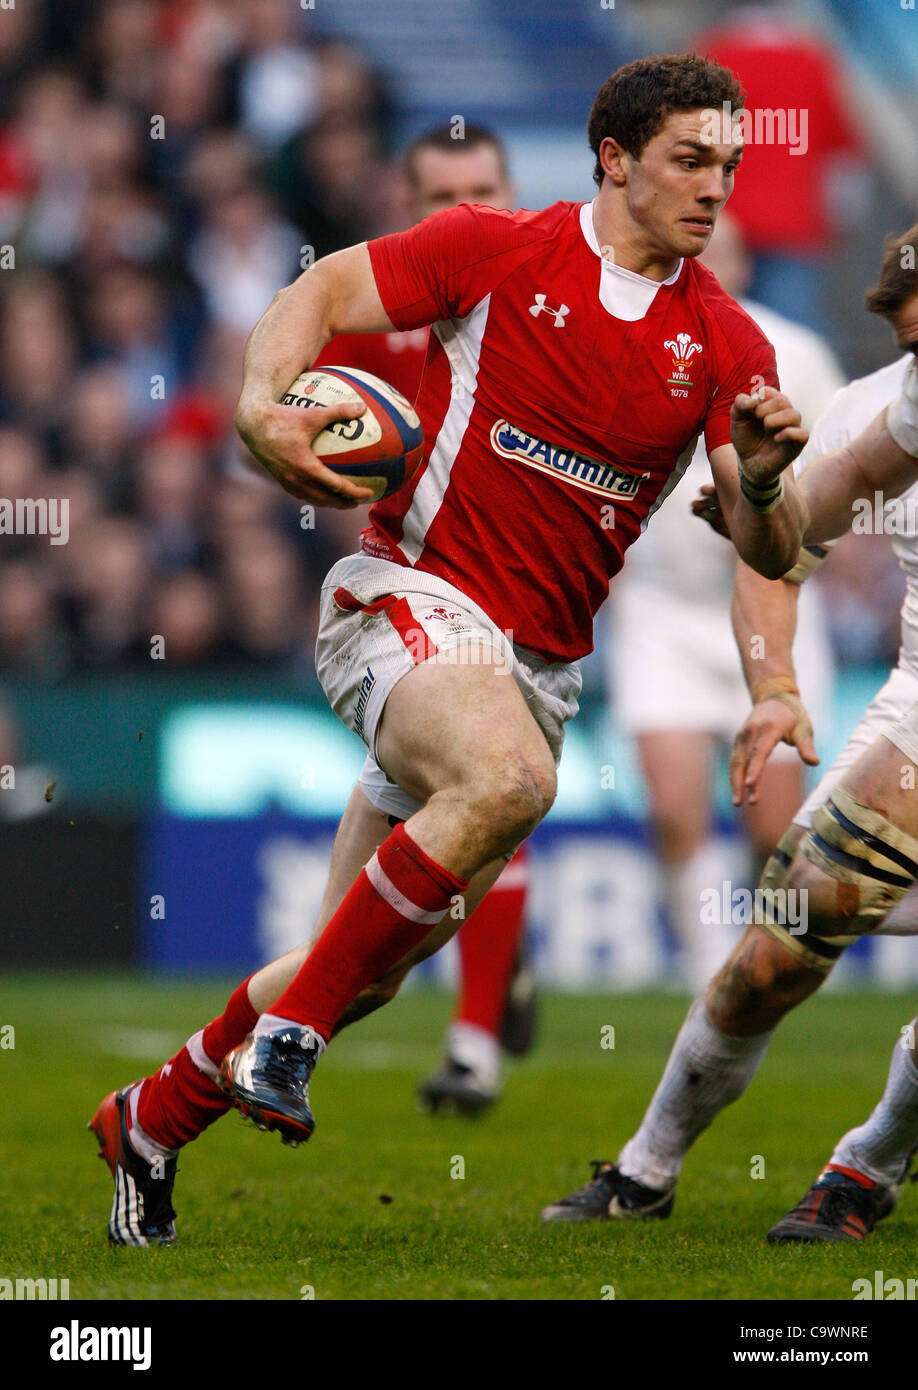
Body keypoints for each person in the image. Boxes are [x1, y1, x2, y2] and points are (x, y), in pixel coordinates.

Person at [90, 52, 811, 1245]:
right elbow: (319, 291)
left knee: (356, 965)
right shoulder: (495, 247)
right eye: (690, 159)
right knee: (512, 785)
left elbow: (766, 542)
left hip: (532, 670)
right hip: (406, 596)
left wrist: (773, 483)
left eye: (729, 166)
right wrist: (262, 413)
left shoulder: (726, 344)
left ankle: (152, 1119)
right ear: (615, 158)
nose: (714, 188)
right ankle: (291, 1041)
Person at [541, 223, 918, 1240]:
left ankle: (865, 1167)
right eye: (912, 340)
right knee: (777, 954)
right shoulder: (891, 404)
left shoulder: (802, 347)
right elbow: (787, 541)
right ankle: (646, 1167)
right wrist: (779, 680)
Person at [315, 123, 536, 1113]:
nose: (458, 213)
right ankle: (467, 1012)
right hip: (412, 582)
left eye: (480, 189)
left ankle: (474, 1032)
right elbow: (309, 441)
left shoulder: (545, 294)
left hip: (530, 584)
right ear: (405, 207)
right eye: (436, 195)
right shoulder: (371, 318)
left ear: (511, 190)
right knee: (476, 790)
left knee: (491, 797)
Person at [608, 210, 842, 988]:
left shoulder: (797, 355)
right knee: (676, 810)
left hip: (773, 602)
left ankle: (769, 966)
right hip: (662, 609)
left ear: (743, 265)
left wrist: (775, 516)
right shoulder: (627, 342)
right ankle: (709, 973)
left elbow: (842, 476)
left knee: (774, 831)